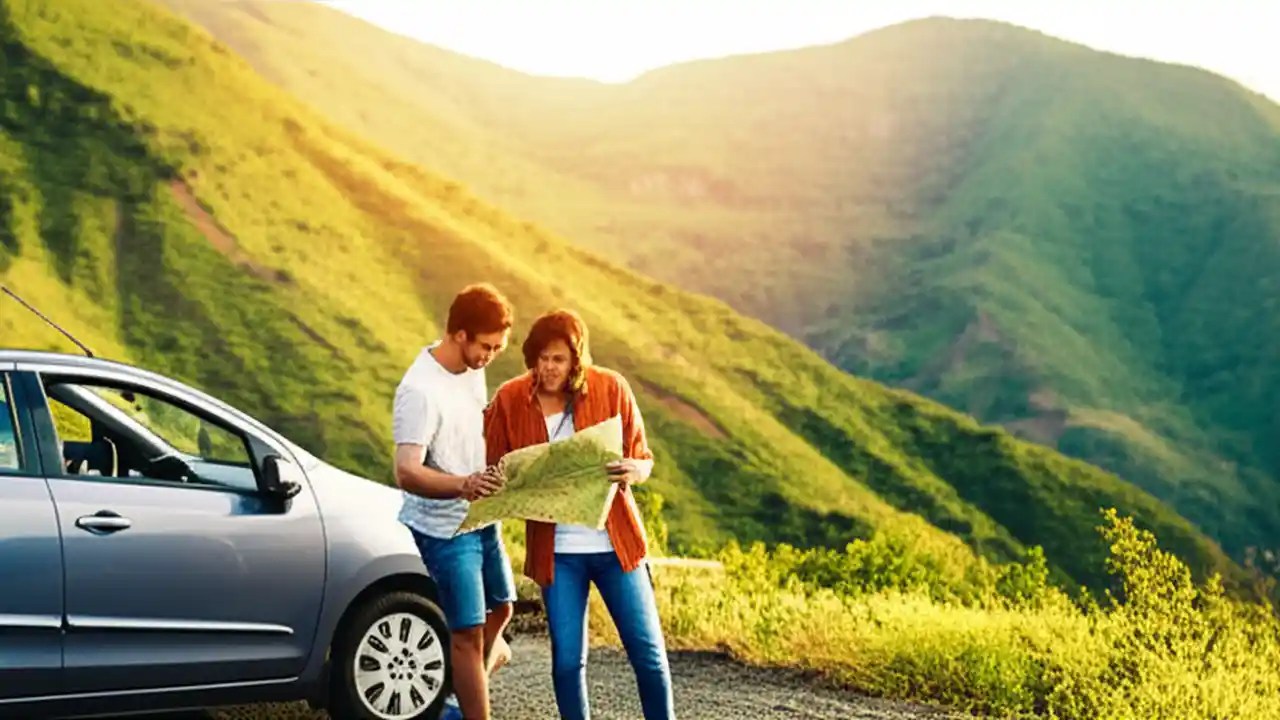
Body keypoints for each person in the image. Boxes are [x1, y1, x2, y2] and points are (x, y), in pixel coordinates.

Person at [484, 308, 676, 720]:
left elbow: (643, 458)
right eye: (541, 359)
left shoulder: (611, 388)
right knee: (568, 663)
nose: (548, 368)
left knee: (648, 656)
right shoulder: (511, 398)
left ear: (576, 360)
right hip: (558, 555)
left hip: (616, 546)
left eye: (558, 359)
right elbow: (493, 467)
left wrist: (635, 469)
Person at [392, 283, 516, 720]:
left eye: (498, 349)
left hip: (481, 512)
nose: (491, 357)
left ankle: (462, 690)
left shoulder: (472, 367)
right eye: (487, 347)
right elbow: (406, 471)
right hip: (444, 526)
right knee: (467, 632)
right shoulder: (420, 391)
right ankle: (469, 705)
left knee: (503, 606)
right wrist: (463, 484)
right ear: (459, 334)